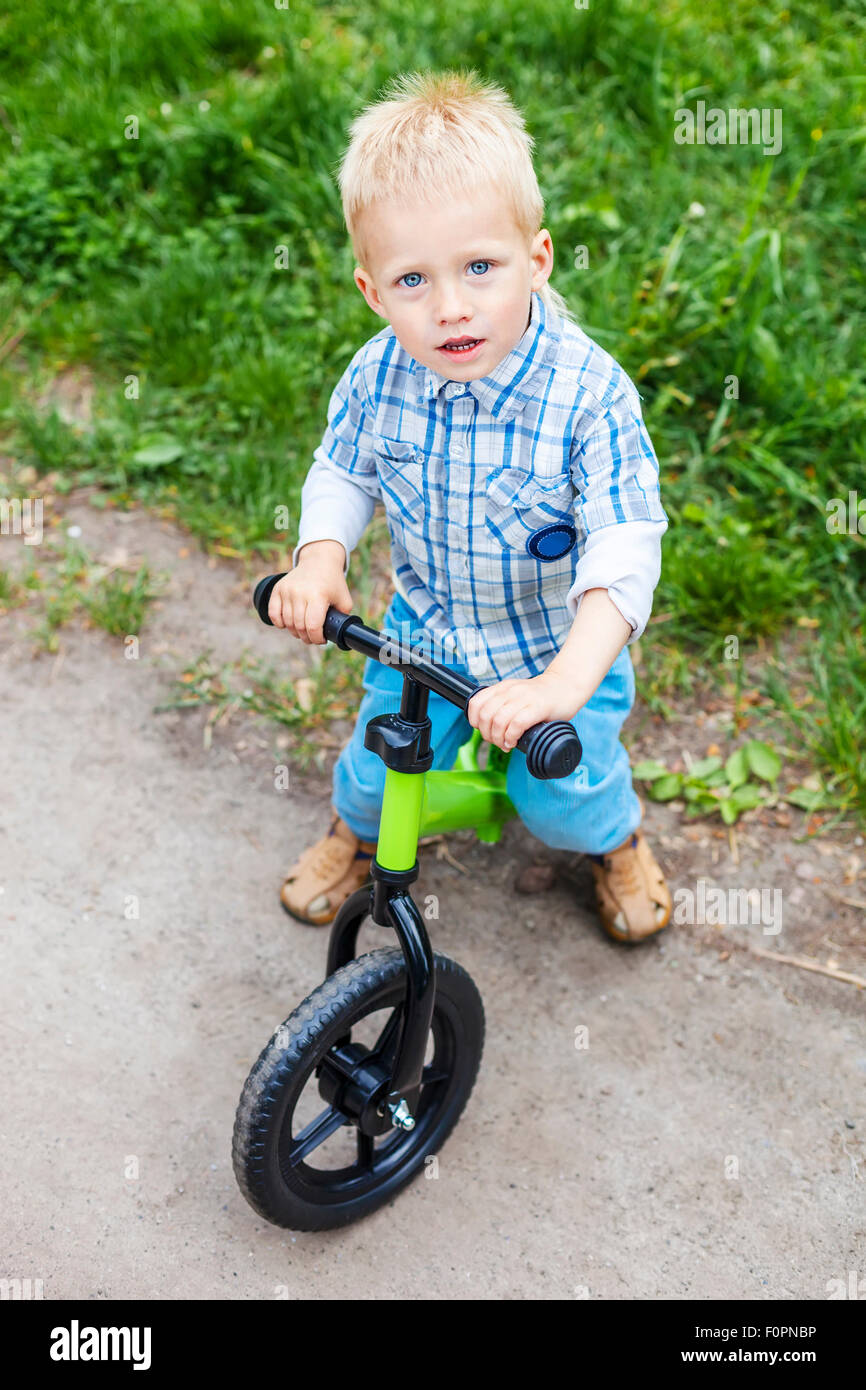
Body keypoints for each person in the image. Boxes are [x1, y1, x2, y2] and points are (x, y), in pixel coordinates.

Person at [270, 69, 672, 944]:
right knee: (381, 766)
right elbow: (342, 471)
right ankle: (358, 830)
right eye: (413, 280)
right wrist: (319, 557)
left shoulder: (589, 398)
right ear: (373, 291)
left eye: (480, 267)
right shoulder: (380, 375)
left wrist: (565, 683)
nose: (451, 307)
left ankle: (616, 840)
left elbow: (624, 545)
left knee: (562, 798)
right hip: (425, 632)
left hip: (553, 648)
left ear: (537, 259)